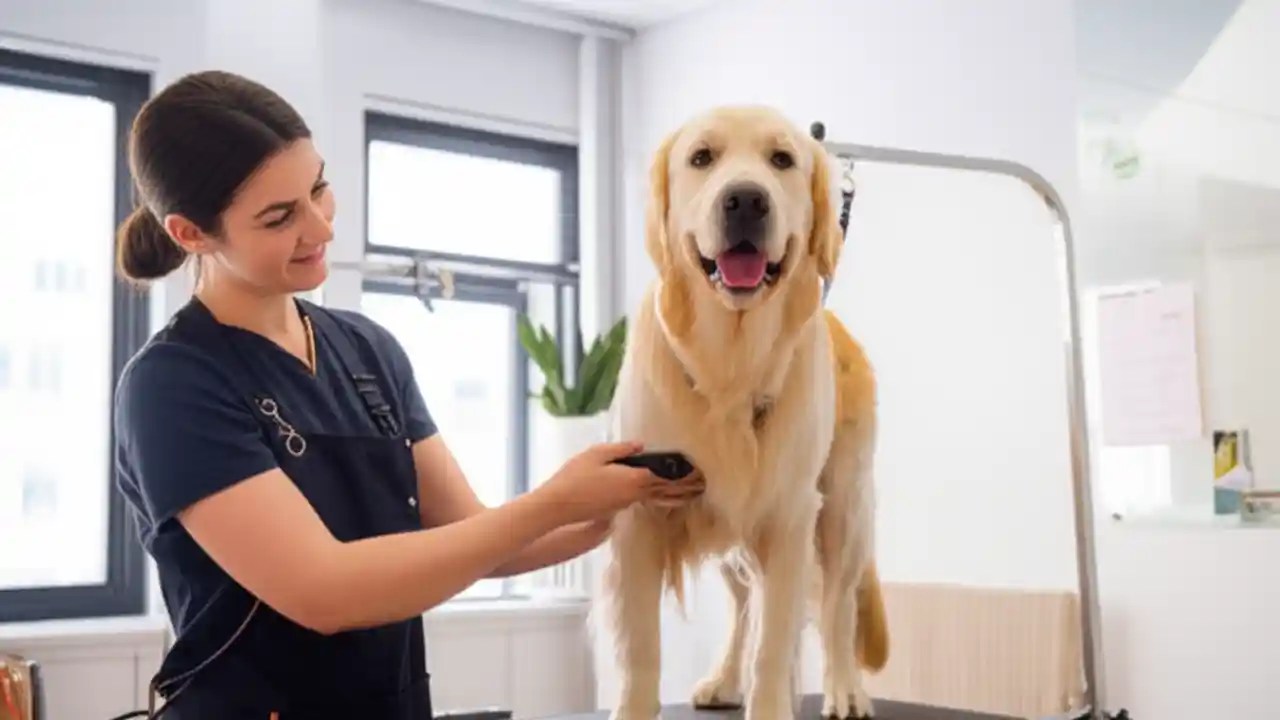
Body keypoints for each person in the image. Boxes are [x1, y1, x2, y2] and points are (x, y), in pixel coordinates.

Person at [111, 70, 703, 720]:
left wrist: (621, 502)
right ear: (193, 235)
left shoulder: (368, 352)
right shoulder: (173, 386)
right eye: (280, 217)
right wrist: (554, 500)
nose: (321, 228)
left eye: (317, 188)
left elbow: (479, 540)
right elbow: (324, 591)